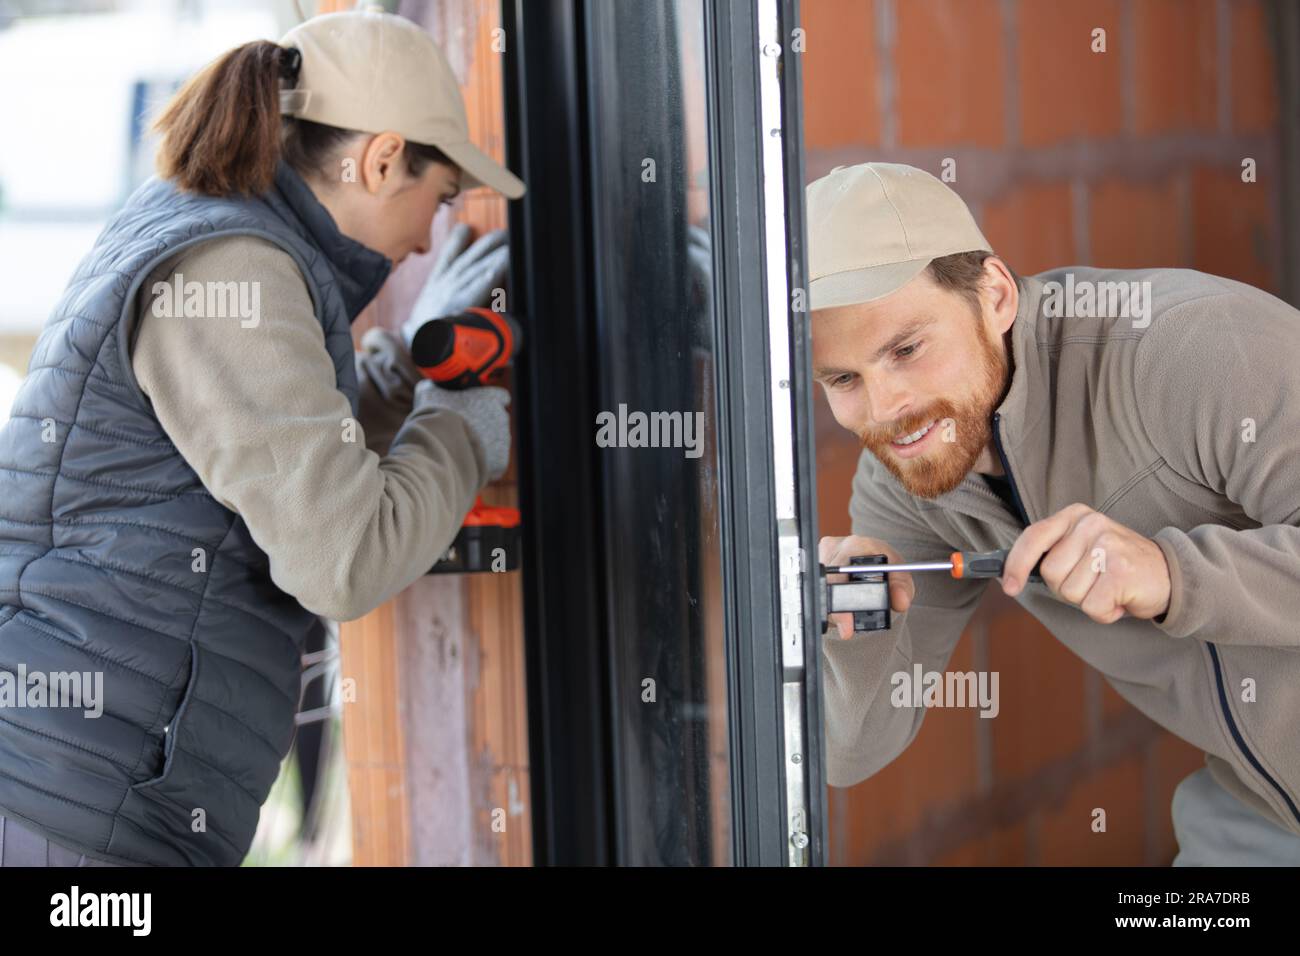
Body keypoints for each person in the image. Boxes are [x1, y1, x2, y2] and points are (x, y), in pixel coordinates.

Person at [0, 9, 522, 866]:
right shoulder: (229, 266)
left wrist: (406, 369)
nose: (432, 233)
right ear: (384, 158)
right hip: (75, 808)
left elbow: (265, 453)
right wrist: (458, 432)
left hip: (87, 796)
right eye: (439, 197)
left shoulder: (214, 233)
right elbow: (342, 556)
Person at [810, 162, 1300, 865]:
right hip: (1258, 813)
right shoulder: (904, 479)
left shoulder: (1193, 347)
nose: (886, 409)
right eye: (844, 379)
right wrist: (856, 633)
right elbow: (851, 756)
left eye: (907, 349)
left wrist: (1170, 573)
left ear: (996, 295)